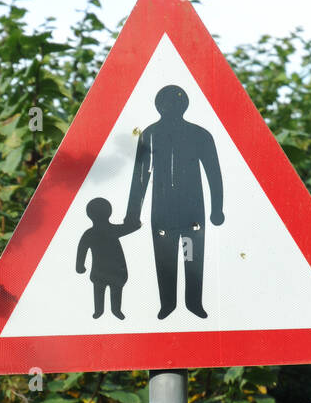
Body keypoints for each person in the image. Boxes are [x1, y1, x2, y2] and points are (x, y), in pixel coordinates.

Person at [125, 85, 224, 319]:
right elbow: (140, 177)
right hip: (163, 211)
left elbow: (214, 174)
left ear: (185, 104)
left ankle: (194, 302)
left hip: (192, 212)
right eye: (167, 103)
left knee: (191, 255)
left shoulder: (200, 135)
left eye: (176, 102)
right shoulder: (149, 134)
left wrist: (217, 209)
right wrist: (133, 213)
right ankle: (167, 303)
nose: (171, 107)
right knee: (165, 258)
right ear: (159, 106)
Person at [75, 197, 136, 319]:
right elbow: (131, 227)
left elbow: (82, 250)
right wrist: (134, 222)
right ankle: (110, 311)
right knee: (112, 290)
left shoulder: (90, 233)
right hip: (114, 270)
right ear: (109, 212)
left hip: (102, 270)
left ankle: (105, 311)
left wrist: (80, 266)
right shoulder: (112, 230)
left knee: (101, 290)